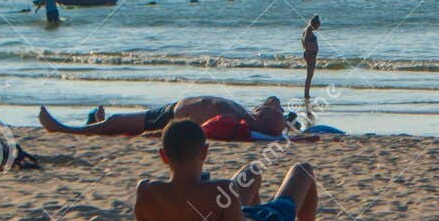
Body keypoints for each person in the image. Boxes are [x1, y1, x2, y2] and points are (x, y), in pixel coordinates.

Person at [133, 119, 330, 221]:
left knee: (252, 171)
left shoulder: (146, 195)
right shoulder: (221, 191)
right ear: (204, 152)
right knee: (303, 170)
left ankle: (250, 213)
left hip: (231, 218)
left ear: (163, 156)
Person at [39, 95, 290, 137]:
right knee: (115, 122)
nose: (269, 106)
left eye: (271, 111)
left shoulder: (237, 122)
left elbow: (208, 129)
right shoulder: (244, 114)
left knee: (116, 121)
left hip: (169, 118)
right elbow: (273, 102)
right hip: (172, 108)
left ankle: (65, 130)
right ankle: (94, 126)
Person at [302, 15, 321, 100]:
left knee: (310, 75)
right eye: (317, 25)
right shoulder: (308, 31)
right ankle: (306, 94)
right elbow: (305, 41)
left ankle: (307, 93)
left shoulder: (307, 30)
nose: (318, 28)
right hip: (310, 54)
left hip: (311, 54)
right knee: (309, 75)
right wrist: (308, 50)